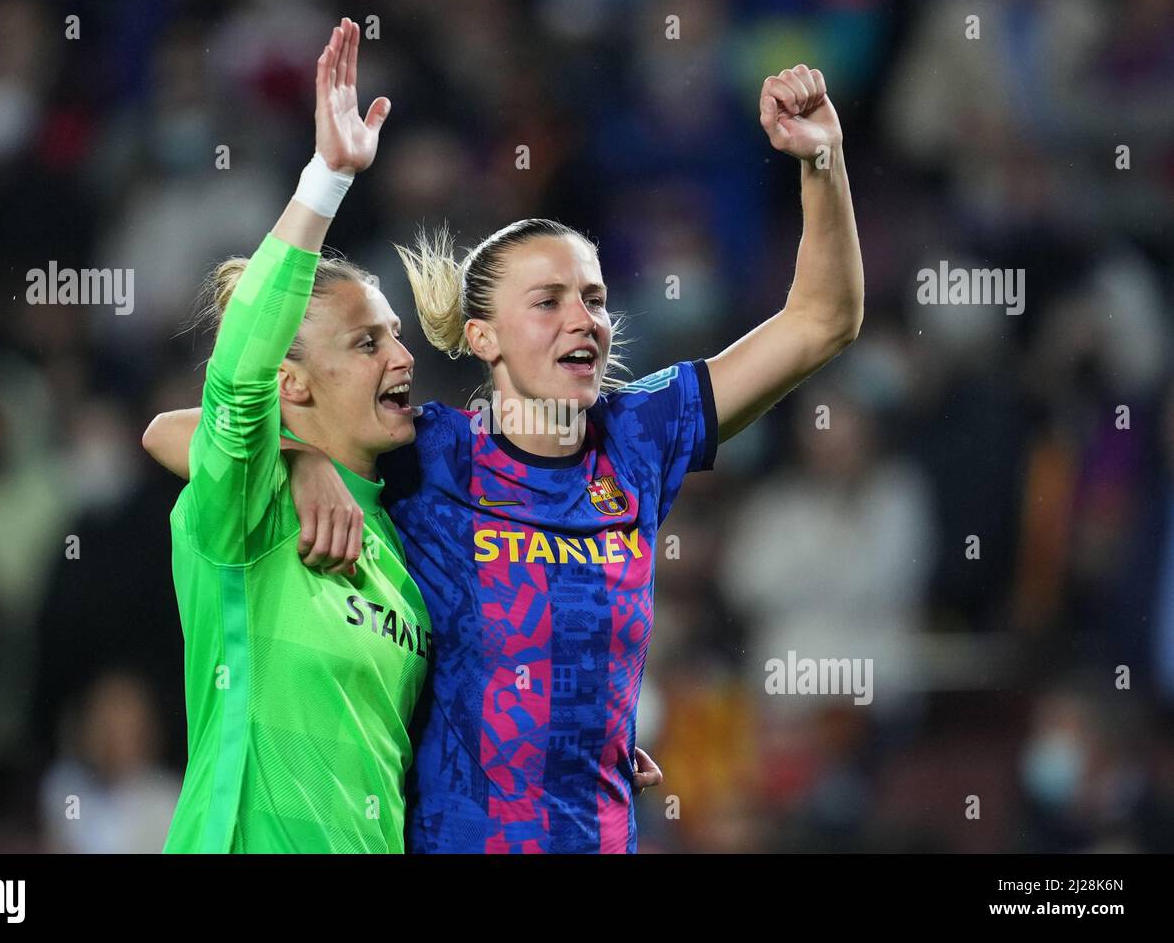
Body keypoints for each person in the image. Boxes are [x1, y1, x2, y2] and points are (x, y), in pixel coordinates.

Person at [147, 62, 862, 852]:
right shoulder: (430, 455)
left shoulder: (640, 438)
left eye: (593, 298)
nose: (581, 319)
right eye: (548, 301)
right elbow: (183, 428)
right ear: (481, 337)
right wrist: (294, 458)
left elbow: (821, 321)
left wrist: (821, 159)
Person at [162, 18, 432, 853]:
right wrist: (327, 179)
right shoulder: (246, 509)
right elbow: (233, 382)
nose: (402, 355)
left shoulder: (404, 542)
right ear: (295, 382)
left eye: (393, 333)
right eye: (367, 342)